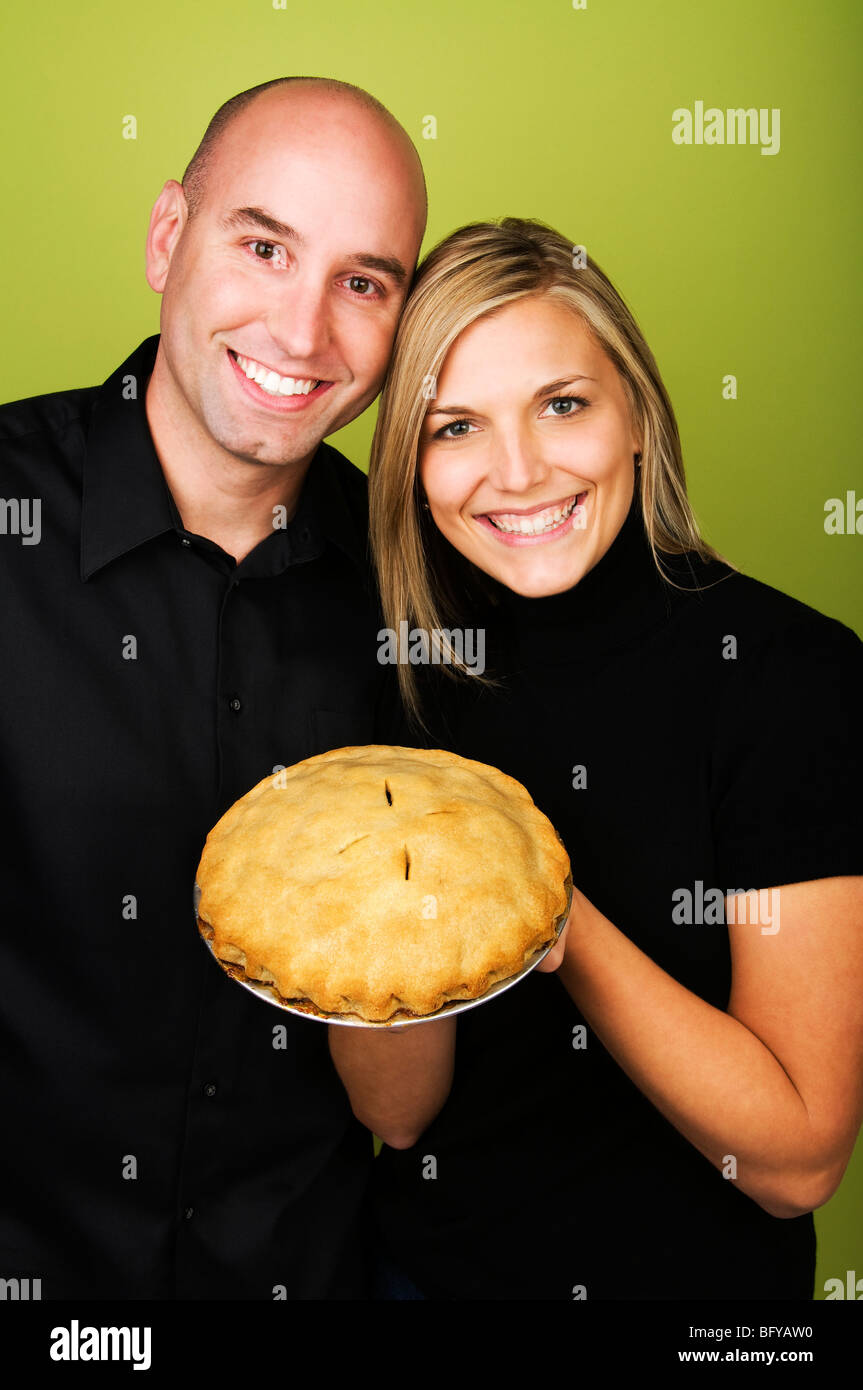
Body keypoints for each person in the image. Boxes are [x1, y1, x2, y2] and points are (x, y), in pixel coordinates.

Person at [331, 217, 863, 1300]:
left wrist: (547, 913)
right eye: (455, 428)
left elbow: (795, 1162)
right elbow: (396, 1112)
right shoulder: (394, 682)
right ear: (410, 466)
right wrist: (361, 901)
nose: (517, 472)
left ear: (635, 415)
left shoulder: (787, 675)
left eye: (560, 405)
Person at [0, 75, 426, 1299]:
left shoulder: (426, 583)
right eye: (262, 245)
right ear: (166, 239)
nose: (303, 334)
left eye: (362, 282)